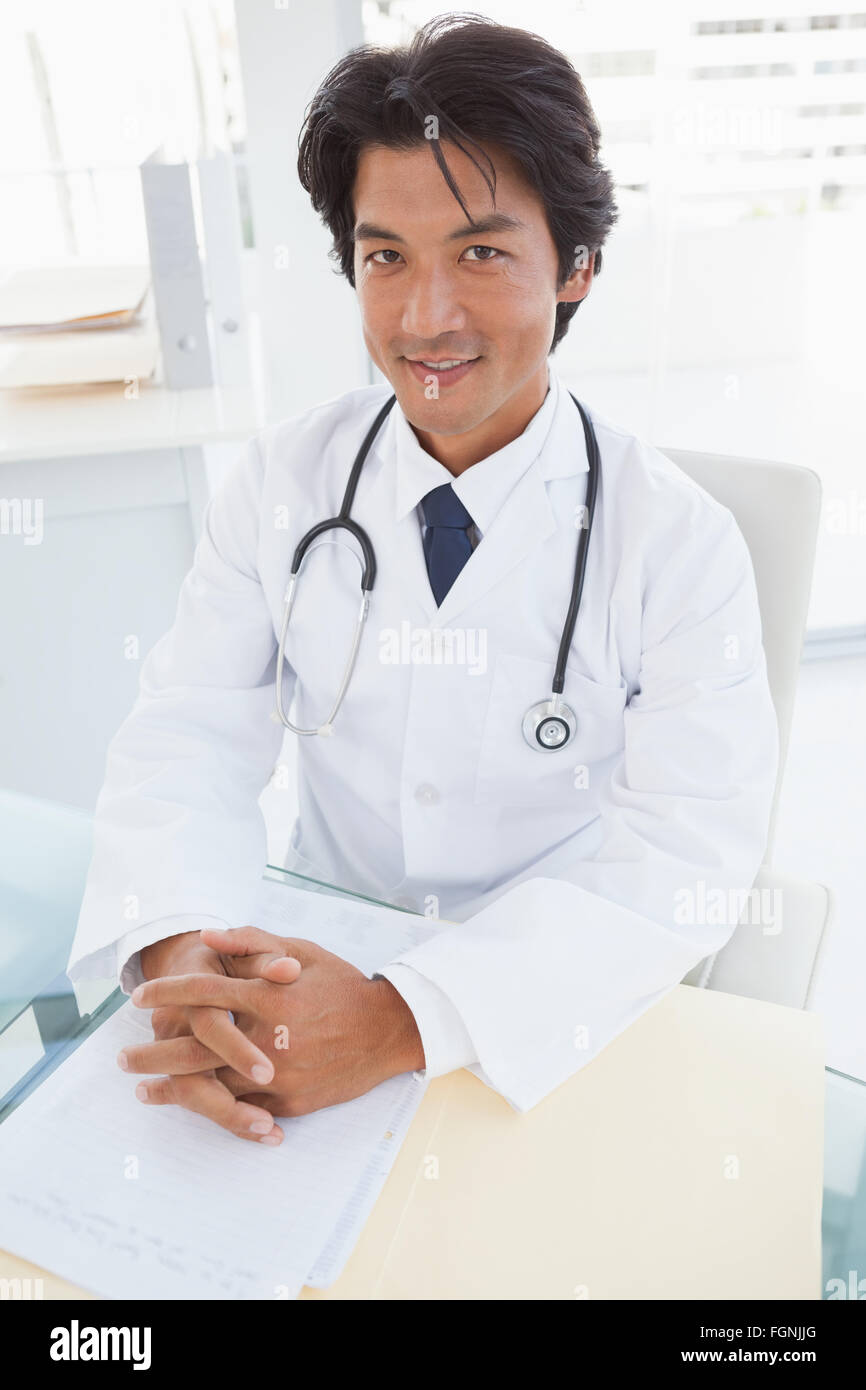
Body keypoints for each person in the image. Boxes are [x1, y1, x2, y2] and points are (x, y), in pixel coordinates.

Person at [68, 15, 778, 1146]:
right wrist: (183, 951)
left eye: (482, 253)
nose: (422, 317)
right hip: (302, 967)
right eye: (384, 255)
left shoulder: (676, 542)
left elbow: (685, 856)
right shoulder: (285, 480)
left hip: (543, 1011)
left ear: (578, 265)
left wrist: (404, 1018)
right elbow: (189, 733)